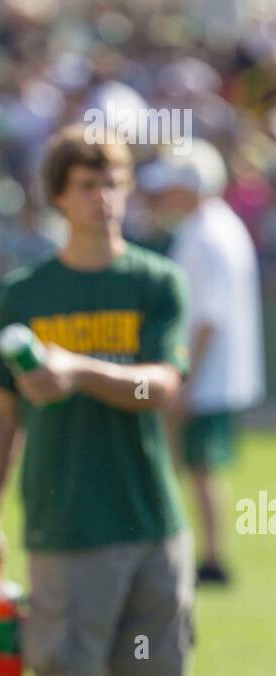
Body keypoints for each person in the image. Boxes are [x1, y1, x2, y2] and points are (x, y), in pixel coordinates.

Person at [0, 127, 194, 676]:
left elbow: (161, 387)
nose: (103, 198)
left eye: (115, 182)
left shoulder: (155, 279)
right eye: (87, 185)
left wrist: (79, 371)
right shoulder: (25, 294)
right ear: (59, 197)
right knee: (67, 673)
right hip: (65, 511)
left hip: (148, 507)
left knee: (153, 660)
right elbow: (1, 410)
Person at [138, 140, 266, 584]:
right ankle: (201, 554)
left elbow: (207, 318)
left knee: (200, 465)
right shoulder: (216, 226)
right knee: (198, 465)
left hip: (206, 375)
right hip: (214, 374)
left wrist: (185, 378)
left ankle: (211, 558)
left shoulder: (207, 234)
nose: (165, 196)